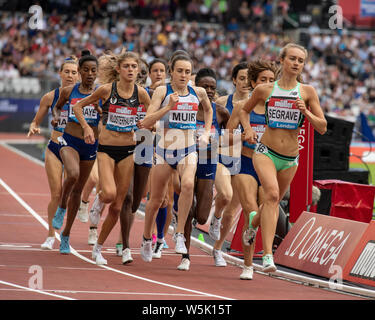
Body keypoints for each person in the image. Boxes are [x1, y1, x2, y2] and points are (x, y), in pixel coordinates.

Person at [241, 43, 327, 273]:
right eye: (292, 58)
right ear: (282, 60)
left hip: (290, 159)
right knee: (271, 194)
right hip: (265, 152)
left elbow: (322, 127)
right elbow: (243, 110)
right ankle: (268, 256)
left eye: (300, 60)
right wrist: (248, 129)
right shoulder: (265, 90)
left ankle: (253, 221)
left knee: (272, 202)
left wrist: (305, 111)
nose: (296, 63)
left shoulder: (307, 91)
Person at [72, 51, 151, 265]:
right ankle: (98, 201)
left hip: (128, 151)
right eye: (127, 66)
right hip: (106, 149)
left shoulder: (142, 94)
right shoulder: (107, 90)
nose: (131, 70)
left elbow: (151, 117)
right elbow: (78, 106)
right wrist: (87, 127)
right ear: (119, 69)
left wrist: (149, 122)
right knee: (108, 193)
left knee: (117, 207)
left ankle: (98, 248)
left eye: (134, 67)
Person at [138, 54, 213, 262]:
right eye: (179, 71)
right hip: (163, 151)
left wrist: (206, 132)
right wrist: (168, 107)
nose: (183, 75)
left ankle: (179, 233)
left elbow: (208, 110)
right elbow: (147, 121)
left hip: (188, 149)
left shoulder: (198, 92)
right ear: (171, 72)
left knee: (188, 184)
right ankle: (146, 238)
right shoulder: (163, 91)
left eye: (187, 72)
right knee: (155, 201)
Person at [226, 59, 277, 279]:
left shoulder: (276, 107)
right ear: (254, 83)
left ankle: (257, 248)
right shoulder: (241, 107)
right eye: (263, 80)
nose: (267, 84)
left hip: (268, 165)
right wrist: (241, 134)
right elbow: (226, 136)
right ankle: (248, 265)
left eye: (272, 80)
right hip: (245, 163)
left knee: (265, 208)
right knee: (251, 210)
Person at [177, 67, 230, 271]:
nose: (208, 90)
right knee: (188, 211)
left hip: (208, 160)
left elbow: (230, 139)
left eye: (212, 87)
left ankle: (200, 219)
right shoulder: (186, 106)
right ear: (196, 86)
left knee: (201, 217)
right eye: (204, 86)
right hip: (185, 159)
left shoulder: (221, 112)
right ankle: (186, 256)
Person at [51, 50, 101, 254]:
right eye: (86, 70)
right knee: (72, 173)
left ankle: (66, 235)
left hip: (90, 145)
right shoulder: (69, 91)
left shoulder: (101, 93)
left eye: (93, 70)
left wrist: (100, 111)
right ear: (79, 71)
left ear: (97, 73)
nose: (89, 73)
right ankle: (61, 206)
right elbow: (57, 108)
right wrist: (55, 117)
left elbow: (107, 116)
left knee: (78, 191)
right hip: (69, 140)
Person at [27, 56, 79, 250]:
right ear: (60, 73)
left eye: (74, 72)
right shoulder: (50, 97)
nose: (70, 76)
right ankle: (50, 234)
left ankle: (66, 234)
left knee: (72, 193)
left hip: (75, 149)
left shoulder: (85, 97)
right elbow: (36, 120)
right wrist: (34, 127)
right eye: (67, 72)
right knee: (56, 193)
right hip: (55, 148)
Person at [210, 62, 249, 265]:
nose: (245, 82)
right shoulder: (223, 102)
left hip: (244, 160)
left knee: (232, 210)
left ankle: (217, 248)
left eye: (248, 79)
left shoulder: (257, 104)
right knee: (225, 195)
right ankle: (215, 216)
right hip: (222, 156)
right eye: (241, 78)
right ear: (234, 80)